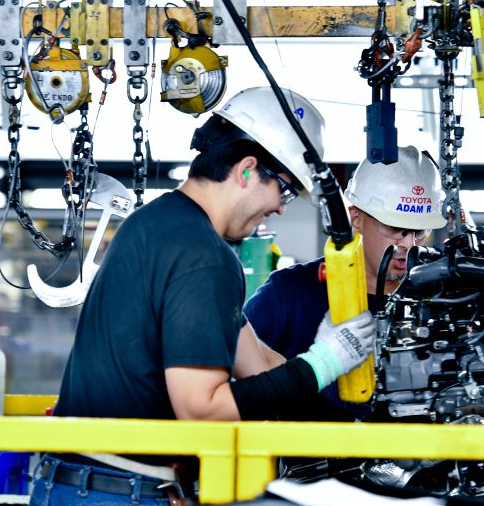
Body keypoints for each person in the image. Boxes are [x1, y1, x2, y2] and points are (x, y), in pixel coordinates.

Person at [29, 87, 376, 506]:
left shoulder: (156, 222)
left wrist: (348, 402)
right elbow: (202, 409)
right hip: (118, 492)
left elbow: (258, 361)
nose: (282, 208)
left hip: (79, 482)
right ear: (248, 170)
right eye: (284, 190)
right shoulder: (205, 256)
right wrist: (323, 362)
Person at [243, 145, 448, 421]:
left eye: (419, 231)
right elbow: (234, 381)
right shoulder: (290, 294)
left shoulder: (443, 302)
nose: (409, 244)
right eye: (395, 228)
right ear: (356, 218)